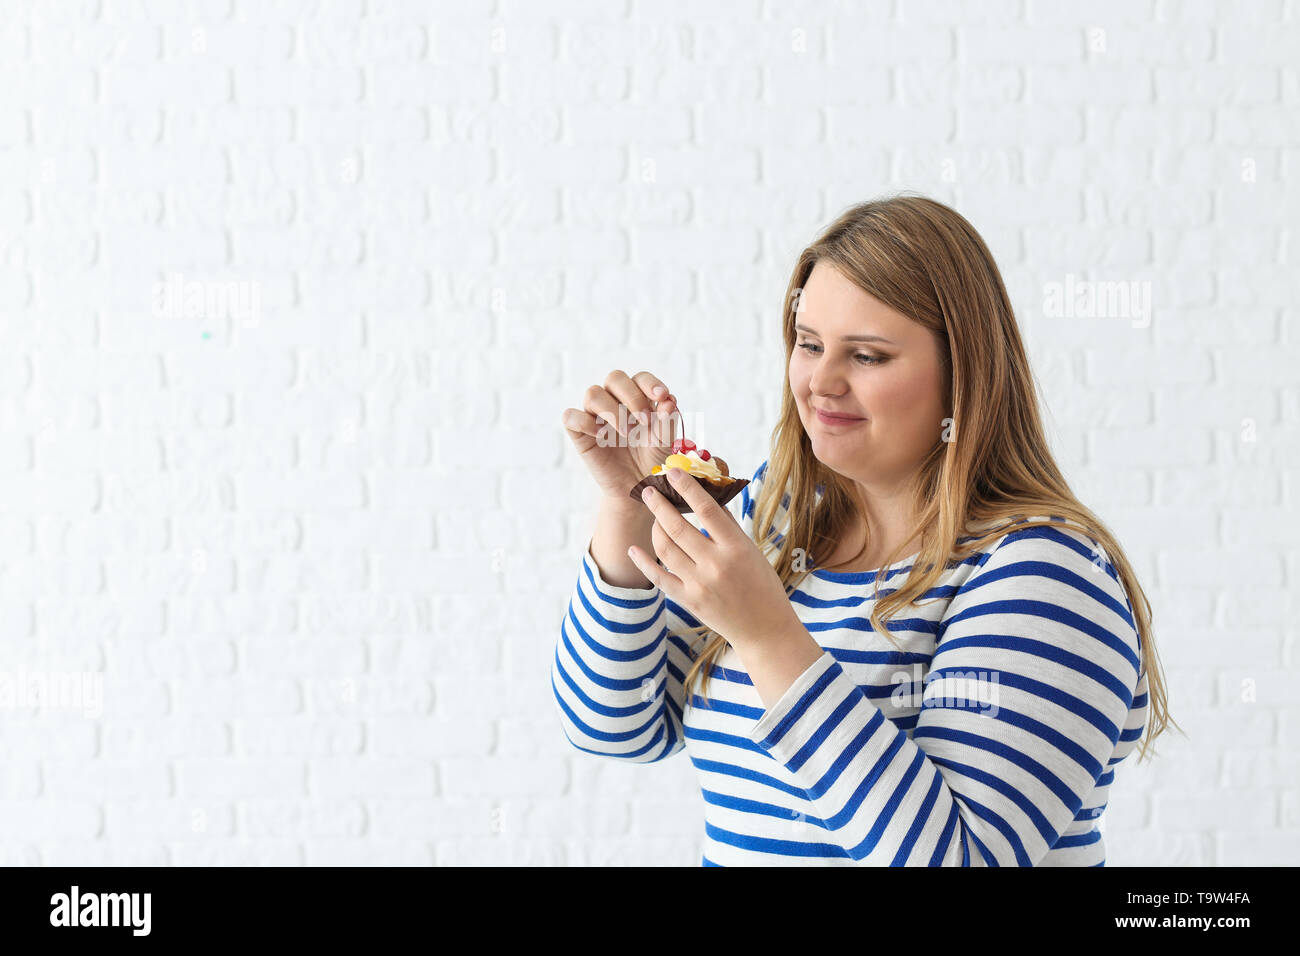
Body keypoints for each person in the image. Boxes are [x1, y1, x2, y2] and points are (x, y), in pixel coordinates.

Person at [555, 195, 1180, 866]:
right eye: (810, 343)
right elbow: (617, 726)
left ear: (963, 374)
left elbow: (963, 858)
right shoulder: (780, 512)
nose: (820, 382)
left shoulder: (1047, 574)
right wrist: (627, 506)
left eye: (869, 356)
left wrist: (769, 636)